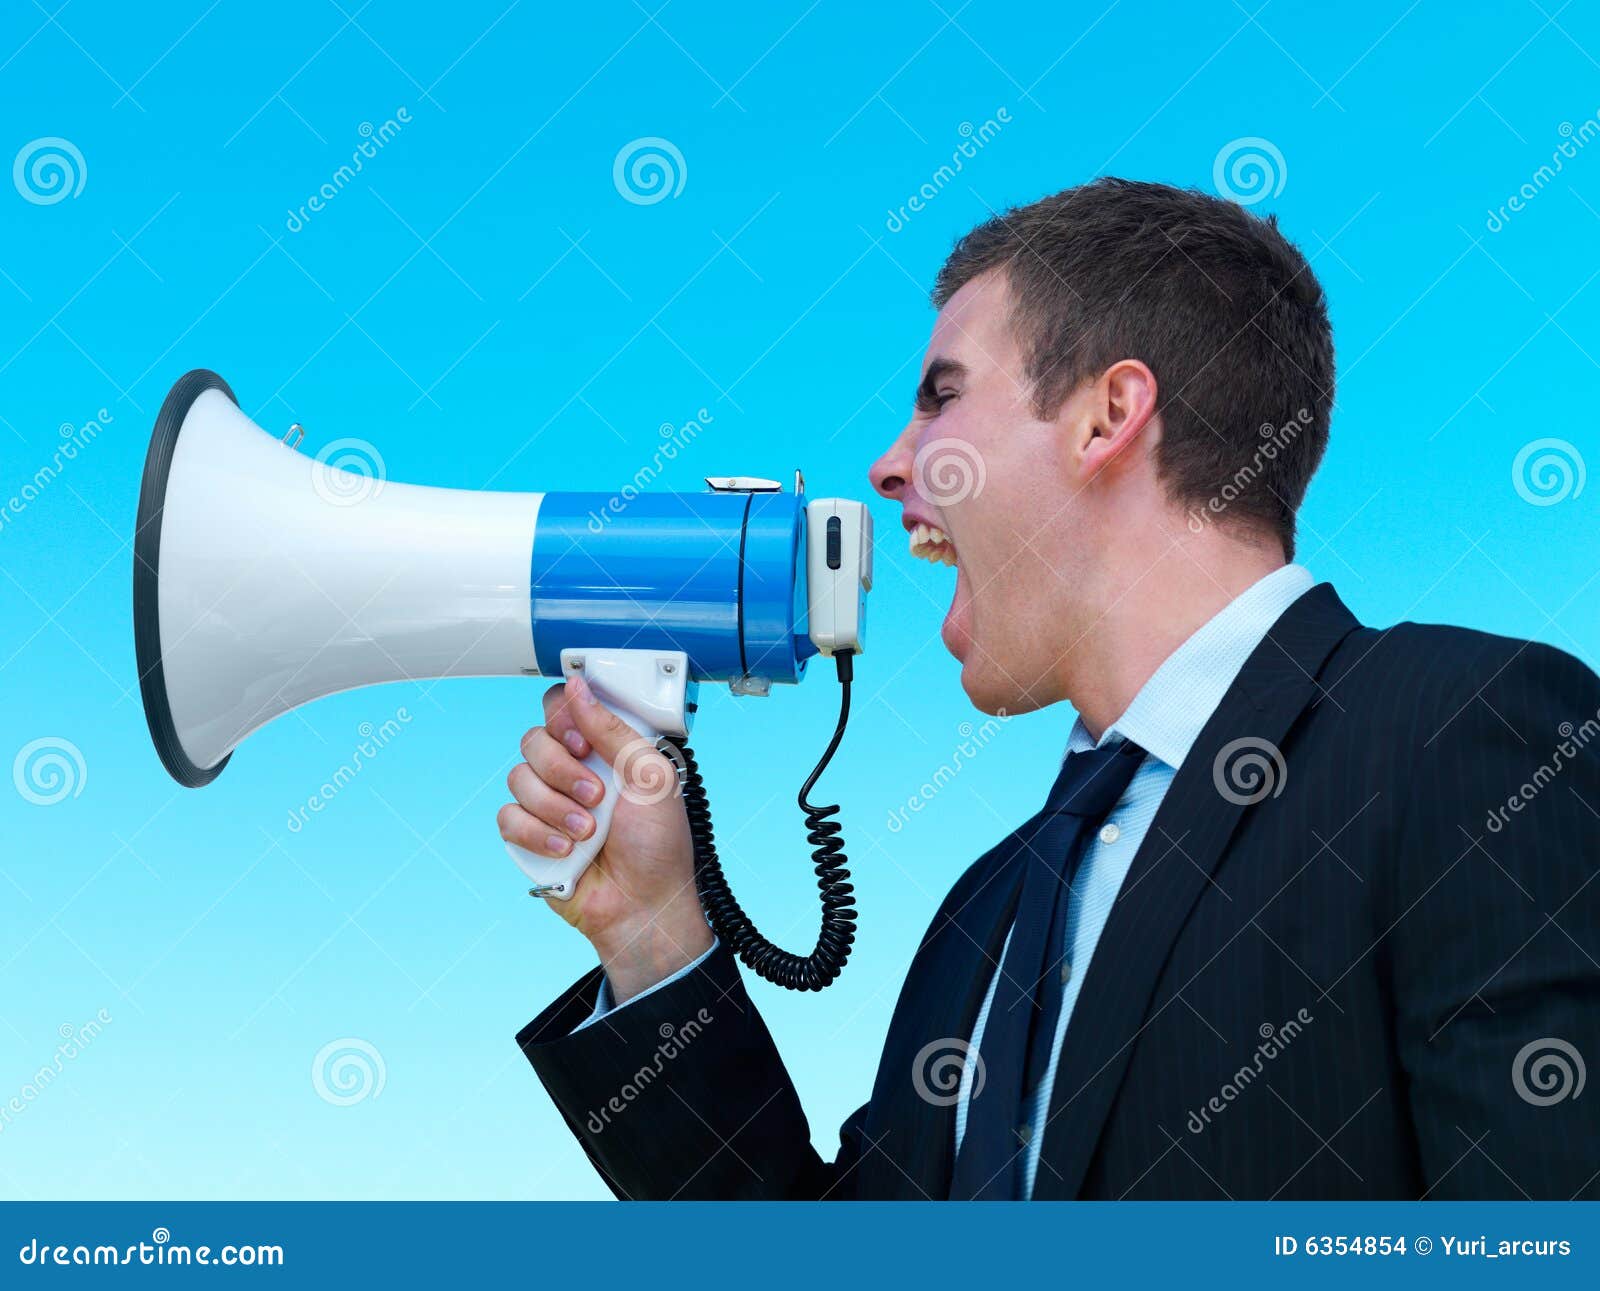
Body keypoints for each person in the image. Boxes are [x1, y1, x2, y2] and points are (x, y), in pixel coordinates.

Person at [498, 178, 1600, 1199]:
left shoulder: (1463, 734)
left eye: (941, 397)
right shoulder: (989, 913)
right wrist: (652, 935)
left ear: (1105, 417)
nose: (887, 465)